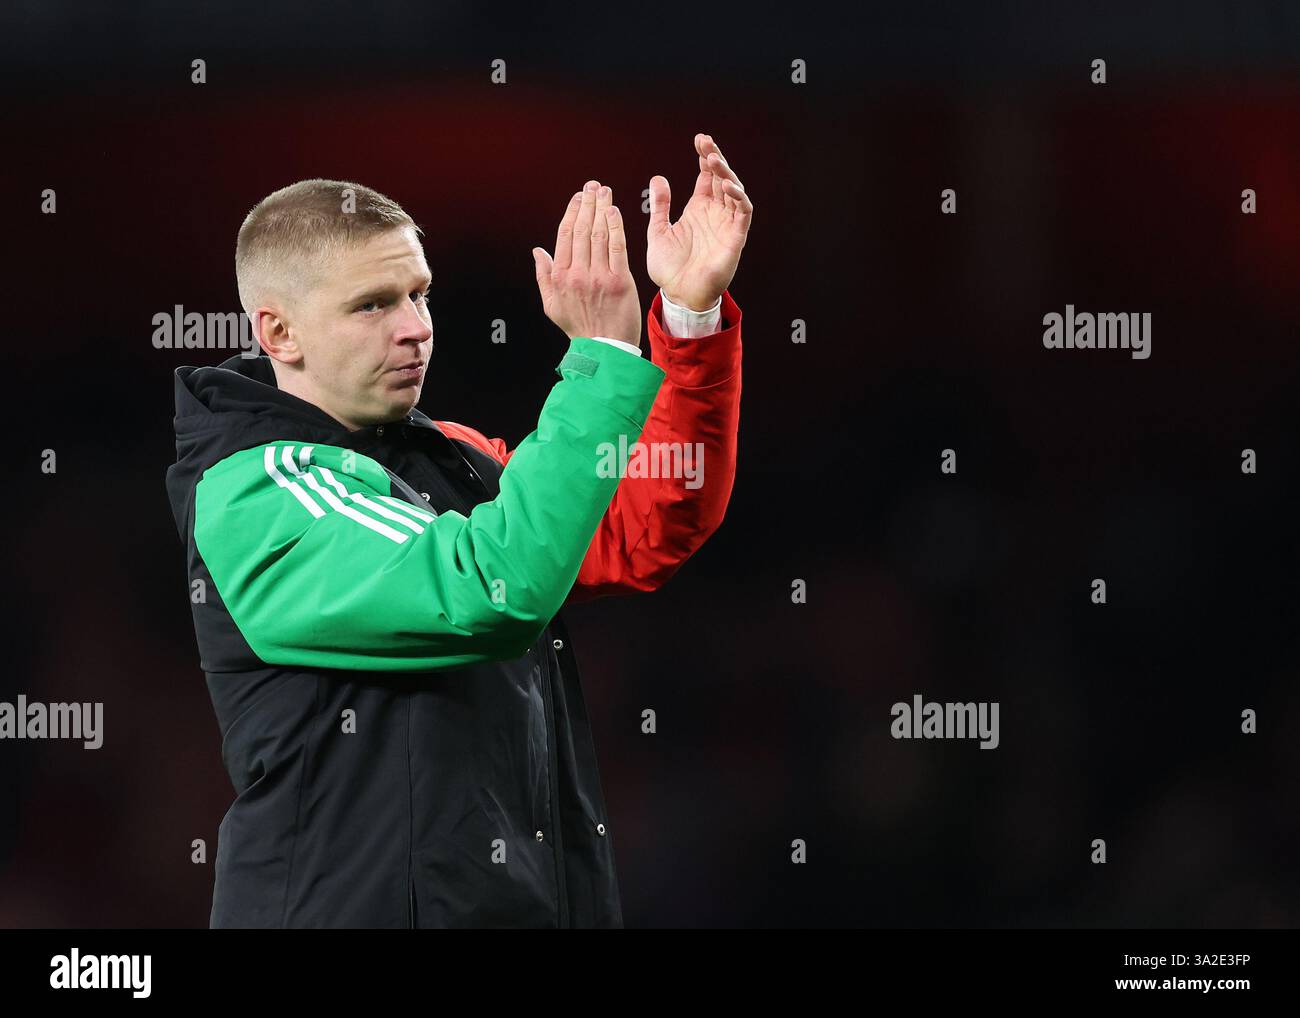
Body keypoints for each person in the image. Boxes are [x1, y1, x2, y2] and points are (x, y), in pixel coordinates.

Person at [164, 134, 751, 927]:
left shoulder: (448, 457)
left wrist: (688, 317)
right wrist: (603, 356)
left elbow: (647, 525)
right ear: (279, 334)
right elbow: (489, 589)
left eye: (420, 294)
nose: (414, 328)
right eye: (372, 304)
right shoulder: (259, 491)